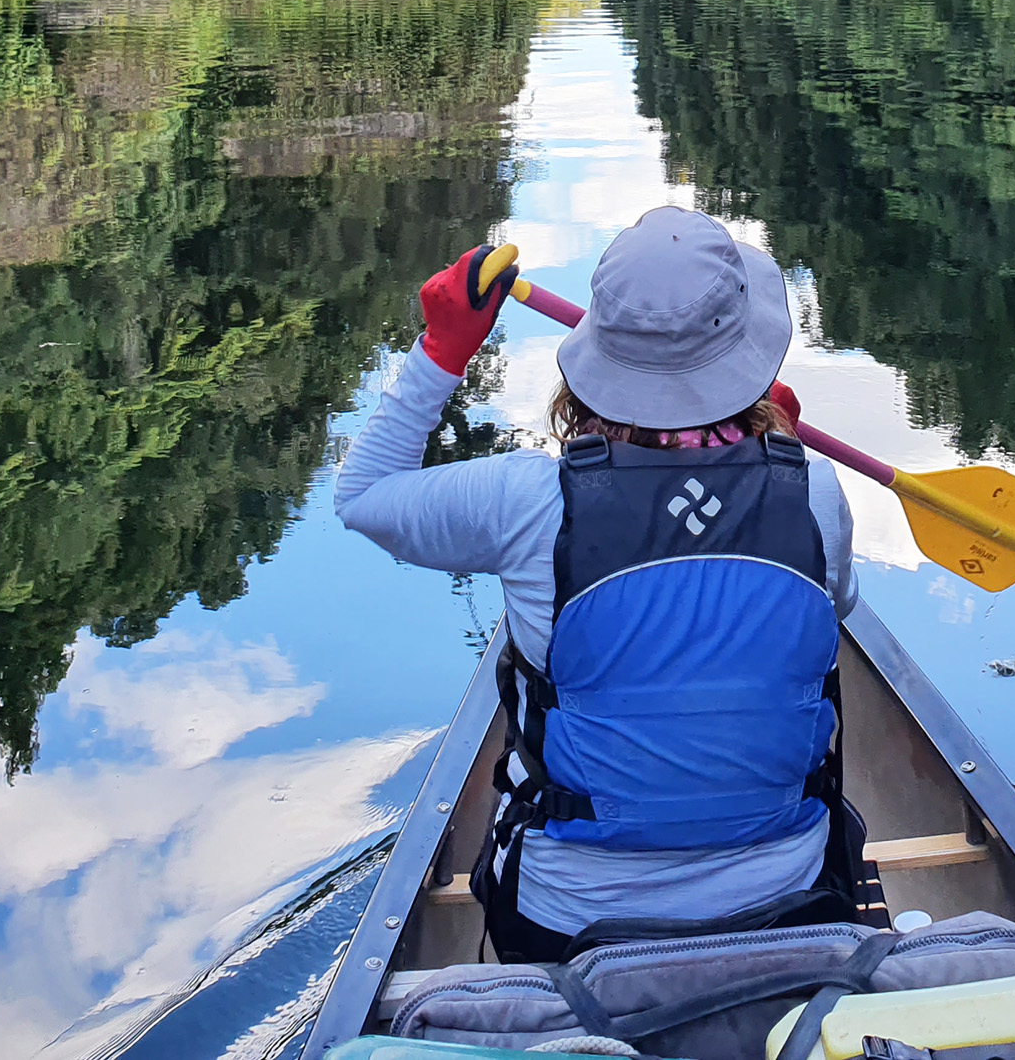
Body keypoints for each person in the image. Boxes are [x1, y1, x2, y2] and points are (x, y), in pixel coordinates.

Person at [336, 205, 863, 964]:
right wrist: (771, 451)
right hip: (786, 902)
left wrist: (442, 352)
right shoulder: (815, 497)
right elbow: (830, 613)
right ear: (746, 352)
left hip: (567, 925)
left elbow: (362, 496)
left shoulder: (527, 502)